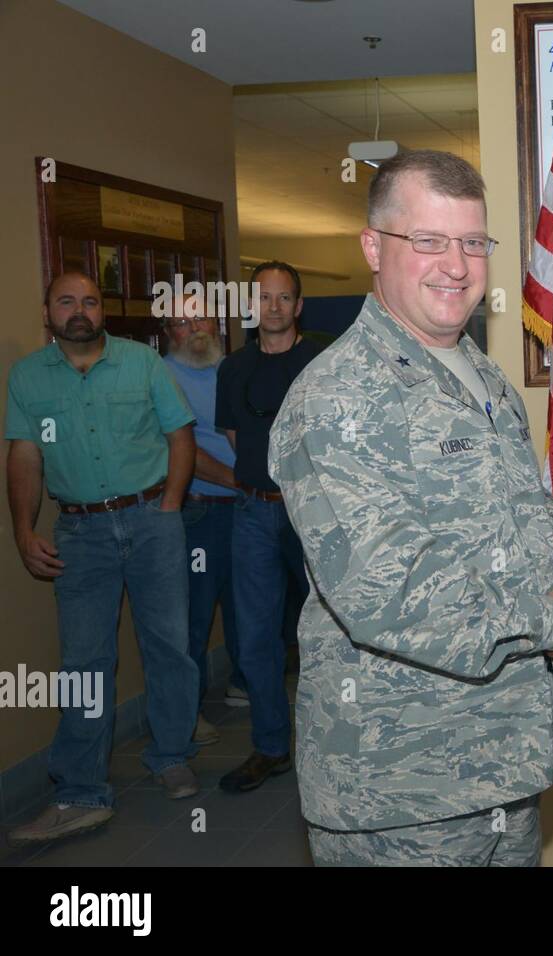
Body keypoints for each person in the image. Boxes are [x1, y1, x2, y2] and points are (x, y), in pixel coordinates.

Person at [269, 149, 553, 866]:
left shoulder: (478, 371)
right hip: (399, 790)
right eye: (427, 241)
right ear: (374, 247)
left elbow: (508, 505)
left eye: (471, 243)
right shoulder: (336, 396)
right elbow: (387, 585)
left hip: (500, 762)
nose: (455, 266)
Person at [5, 272, 201, 846]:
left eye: (90, 300)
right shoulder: (27, 378)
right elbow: (24, 457)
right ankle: (81, 793)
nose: (80, 310)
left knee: (169, 644)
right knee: (84, 661)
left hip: (151, 520)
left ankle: (171, 755)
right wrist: (23, 532)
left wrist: (169, 507)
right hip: (81, 534)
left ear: (103, 312)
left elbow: (180, 436)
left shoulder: (142, 363)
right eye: (67, 301)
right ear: (48, 313)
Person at [214, 261, 321, 793]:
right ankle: (271, 747)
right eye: (263, 298)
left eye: (283, 298)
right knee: (256, 637)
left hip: (314, 515)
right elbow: (238, 439)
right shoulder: (232, 369)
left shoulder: (324, 362)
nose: (273, 307)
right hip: (255, 512)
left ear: (298, 307)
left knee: (327, 631)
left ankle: (333, 748)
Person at [162, 294, 244, 744]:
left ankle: (244, 683)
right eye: (180, 321)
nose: (193, 328)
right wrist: (241, 479)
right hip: (200, 512)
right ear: (167, 332)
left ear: (217, 323)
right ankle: (185, 716)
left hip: (245, 509)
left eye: (201, 318)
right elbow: (184, 447)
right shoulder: (163, 376)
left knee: (246, 606)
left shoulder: (232, 369)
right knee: (192, 616)